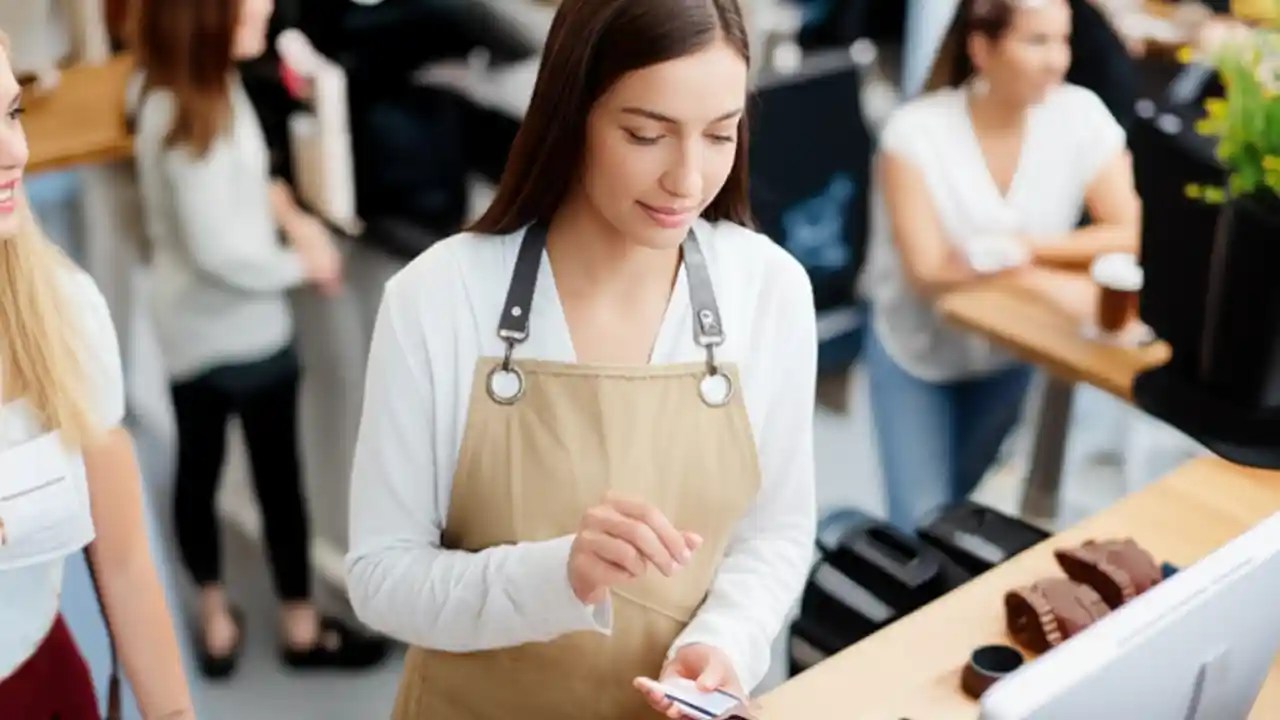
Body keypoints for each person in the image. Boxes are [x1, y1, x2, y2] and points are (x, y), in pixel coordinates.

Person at [345, 0, 818, 717]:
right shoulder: (438, 297)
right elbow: (381, 577)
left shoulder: (770, 289)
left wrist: (726, 643)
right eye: (646, 134)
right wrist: (558, 575)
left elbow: (775, 534)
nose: (687, 180)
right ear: (573, 115)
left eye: (721, 135)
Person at [132, 0, 386, 678]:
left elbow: (237, 192)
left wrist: (281, 204)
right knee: (269, 479)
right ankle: (288, 625)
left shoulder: (183, 89)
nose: (266, 5)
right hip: (235, 331)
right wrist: (306, 261)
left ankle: (220, 621)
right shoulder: (190, 114)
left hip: (194, 331)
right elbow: (220, 251)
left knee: (207, 470)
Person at [860, 0, 1140, 530]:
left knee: (955, 511)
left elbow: (1129, 232)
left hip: (1007, 359)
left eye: (1063, 41)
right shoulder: (916, 133)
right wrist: (1046, 267)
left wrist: (1021, 251)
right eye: (1036, 42)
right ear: (982, 48)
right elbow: (927, 270)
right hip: (915, 354)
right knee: (918, 522)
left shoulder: (1079, 115)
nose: (1057, 61)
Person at [0, 28, 195, 719]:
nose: (15, 152)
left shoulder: (63, 311)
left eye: (11, 113)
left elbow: (125, 566)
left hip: (35, 686)